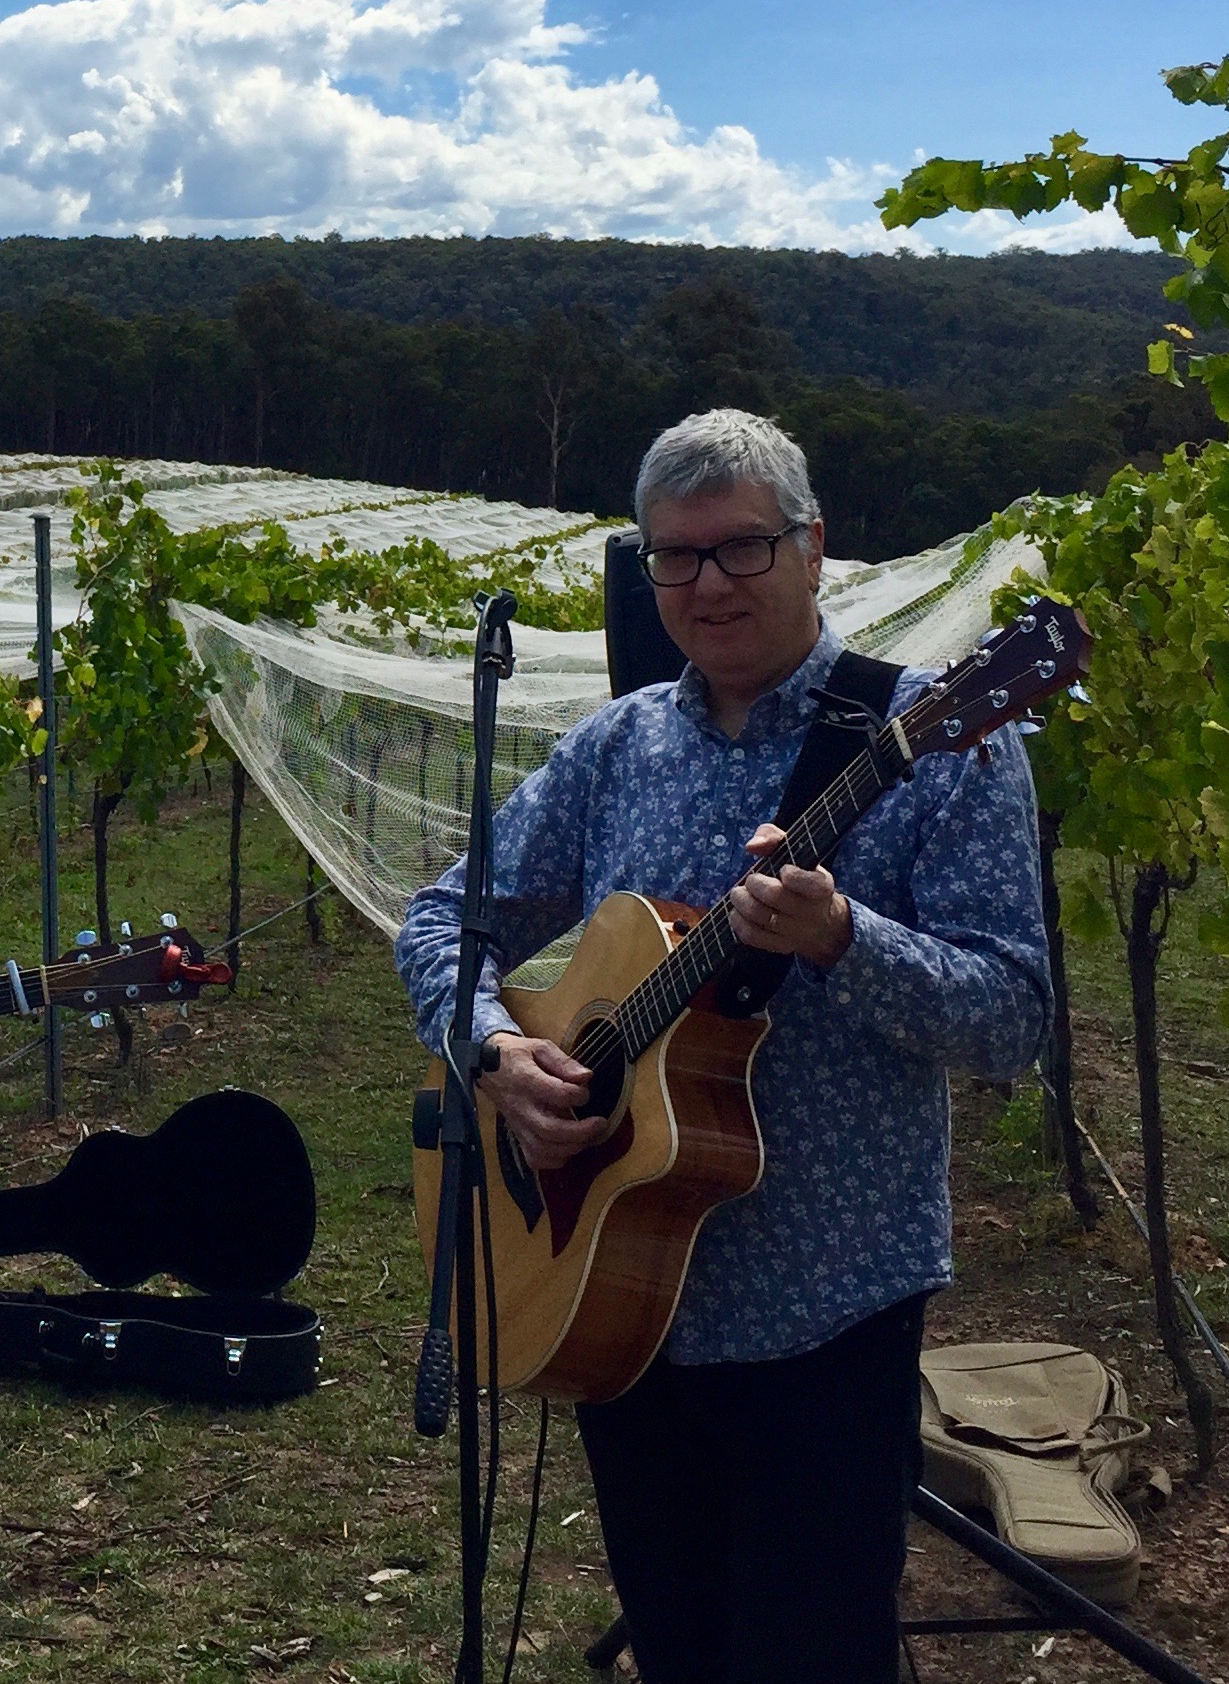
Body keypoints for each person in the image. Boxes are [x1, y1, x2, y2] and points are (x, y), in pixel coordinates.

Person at [394, 410, 1049, 1684]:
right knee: (680, 1643)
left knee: (817, 1650)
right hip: (616, 1301)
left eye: (738, 549)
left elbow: (1009, 1017)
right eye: (673, 557)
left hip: (826, 1302)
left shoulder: (936, 743)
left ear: (813, 548)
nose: (703, 584)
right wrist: (487, 1050)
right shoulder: (614, 745)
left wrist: (844, 937)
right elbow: (442, 915)